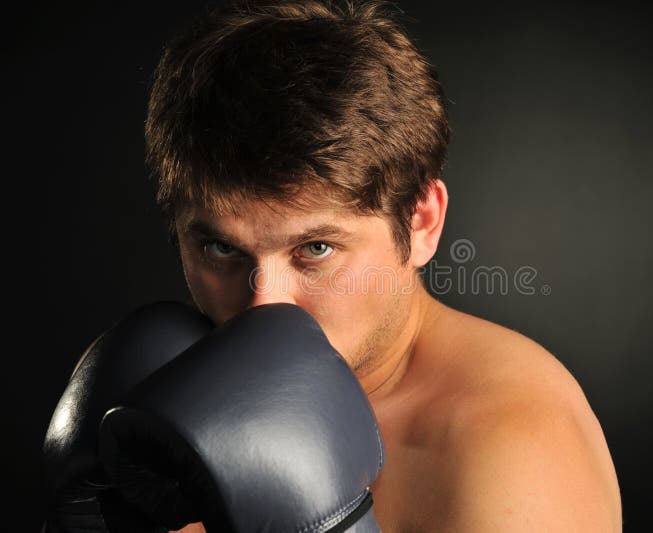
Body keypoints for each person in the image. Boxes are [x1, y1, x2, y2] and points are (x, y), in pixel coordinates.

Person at [84, 0, 625, 530]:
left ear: (421, 224)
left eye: (315, 249)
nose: (263, 305)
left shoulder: (509, 443)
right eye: (222, 249)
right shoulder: (172, 399)